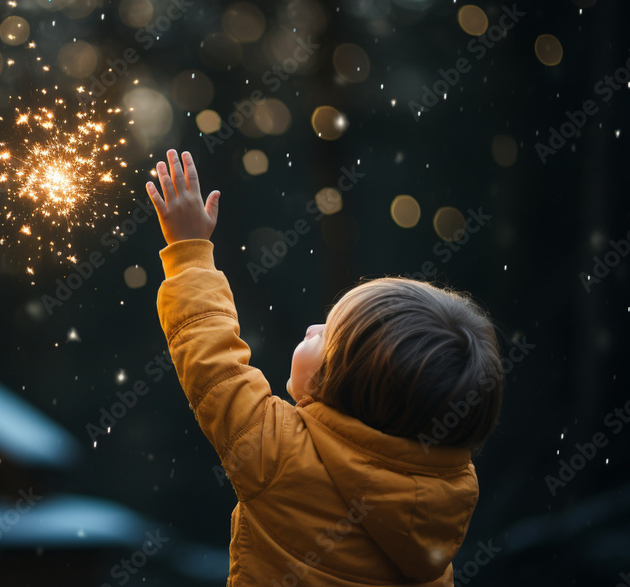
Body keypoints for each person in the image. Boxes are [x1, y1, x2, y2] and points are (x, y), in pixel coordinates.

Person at [146, 149, 505, 586]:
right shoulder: (442, 505)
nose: (312, 327)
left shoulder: (277, 454)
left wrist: (188, 253)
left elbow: (212, 362)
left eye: (326, 335)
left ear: (339, 385)